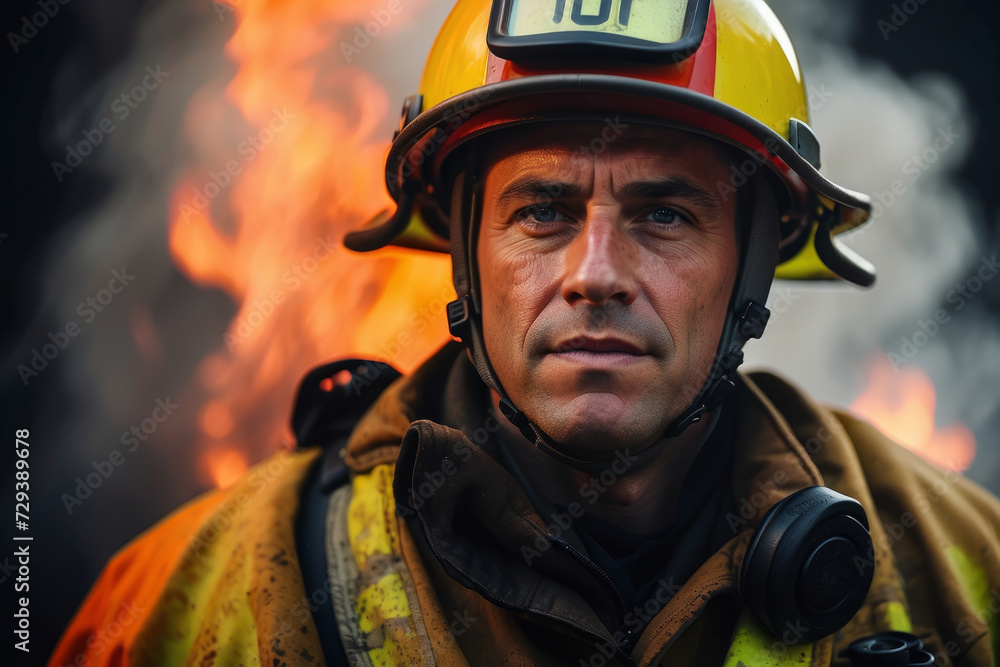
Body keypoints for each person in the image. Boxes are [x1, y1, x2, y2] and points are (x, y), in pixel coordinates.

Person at [50, 0, 1000, 665]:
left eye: (665, 214)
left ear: (755, 262)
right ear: (461, 251)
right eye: (542, 210)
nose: (595, 275)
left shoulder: (965, 572)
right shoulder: (179, 602)